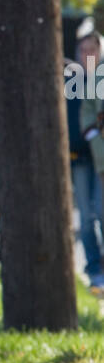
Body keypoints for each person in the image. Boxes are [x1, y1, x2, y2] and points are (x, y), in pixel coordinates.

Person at [75, 22, 104, 290]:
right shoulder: (69, 78)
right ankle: (94, 269)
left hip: (101, 158)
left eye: (92, 49)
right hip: (78, 157)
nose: (87, 55)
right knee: (86, 218)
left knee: (102, 212)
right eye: (83, 50)